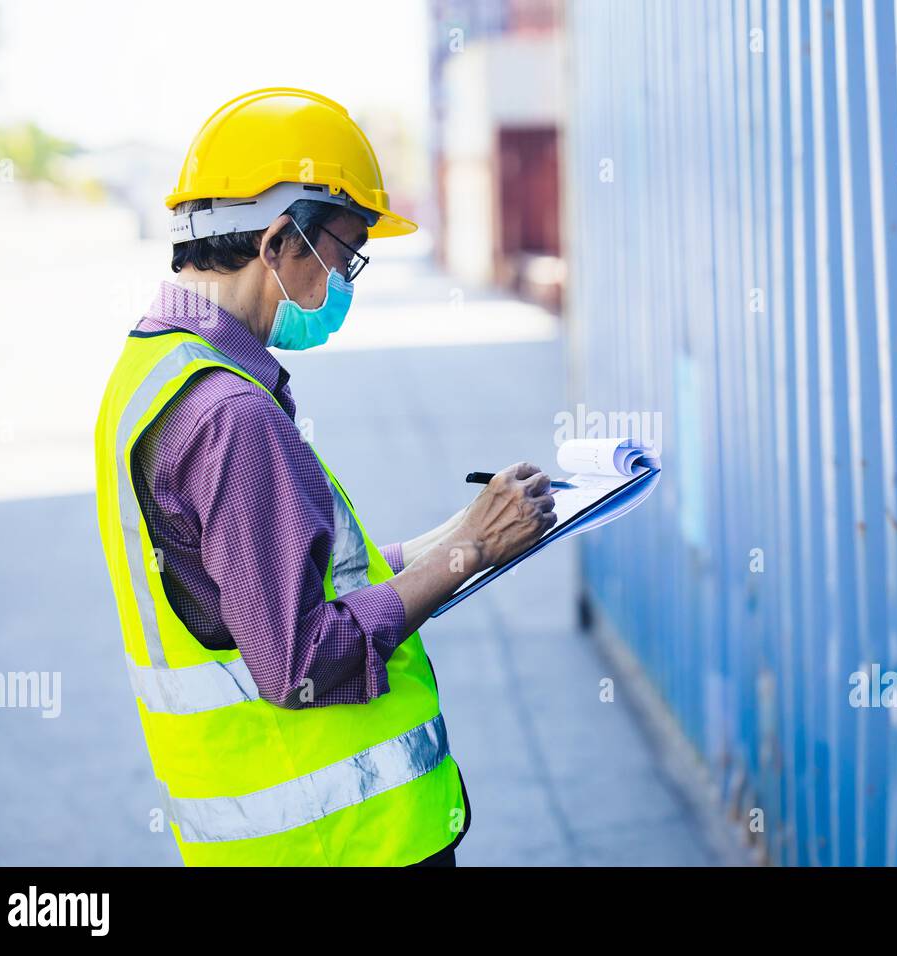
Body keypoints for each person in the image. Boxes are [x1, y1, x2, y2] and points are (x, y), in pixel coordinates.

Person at [93, 88, 556, 866]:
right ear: (280, 242)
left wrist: (471, 531)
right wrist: (468, 551)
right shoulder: (229, 418)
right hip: (340, 843)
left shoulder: (153, 370)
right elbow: (302, 658)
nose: (346, 280)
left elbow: (286, 590)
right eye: (345, 254)